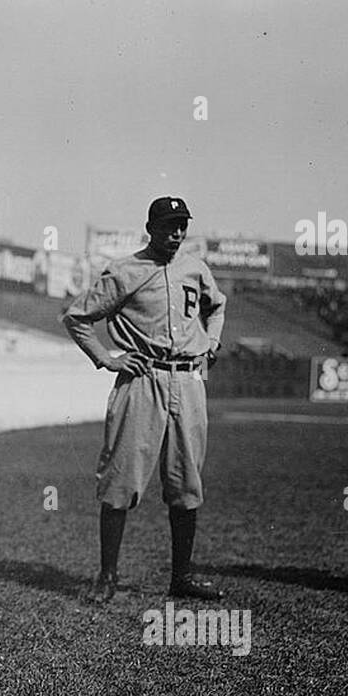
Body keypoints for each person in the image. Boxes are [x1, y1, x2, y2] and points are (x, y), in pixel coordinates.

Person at [61, 196, 226, 603]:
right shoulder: (124, 270)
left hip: (187, 381)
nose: (177, 233)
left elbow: (217, 307)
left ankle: (182, 575)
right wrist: (106, 358)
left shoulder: (195, 268)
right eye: (169, 225)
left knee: (187, 484)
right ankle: (107, 576)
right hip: (143, 379)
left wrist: (212, 343)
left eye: (182, 225)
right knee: (120, 481)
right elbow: (78, 317)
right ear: (150, 228)